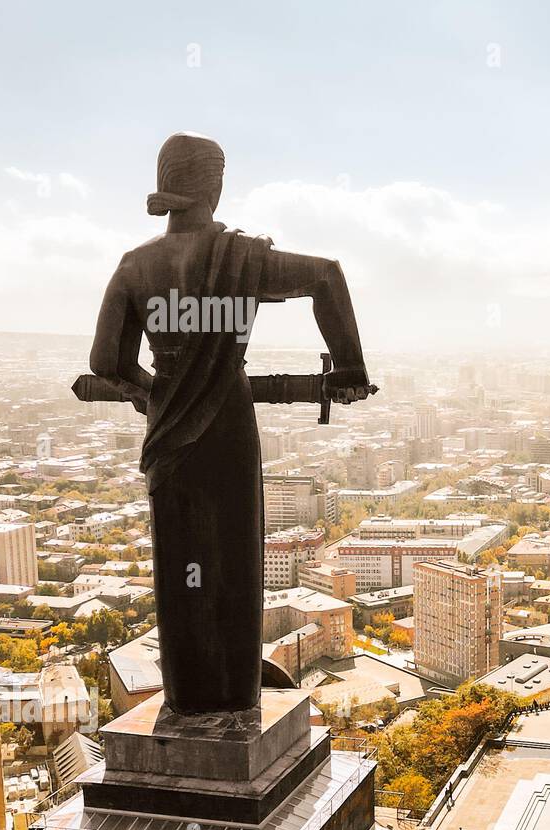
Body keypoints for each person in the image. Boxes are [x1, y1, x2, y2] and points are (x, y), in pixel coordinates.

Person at [89, 133, 372, 714]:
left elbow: (106, 363)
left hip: (170, 437)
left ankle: (189, 692)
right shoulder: (241, 258)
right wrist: (348, 368)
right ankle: (237, 685)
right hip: (229, 425)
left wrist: (157, 397)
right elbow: (326, 275)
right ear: (213, 187)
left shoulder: (135, 265)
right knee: (235, 553)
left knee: (181, 559)